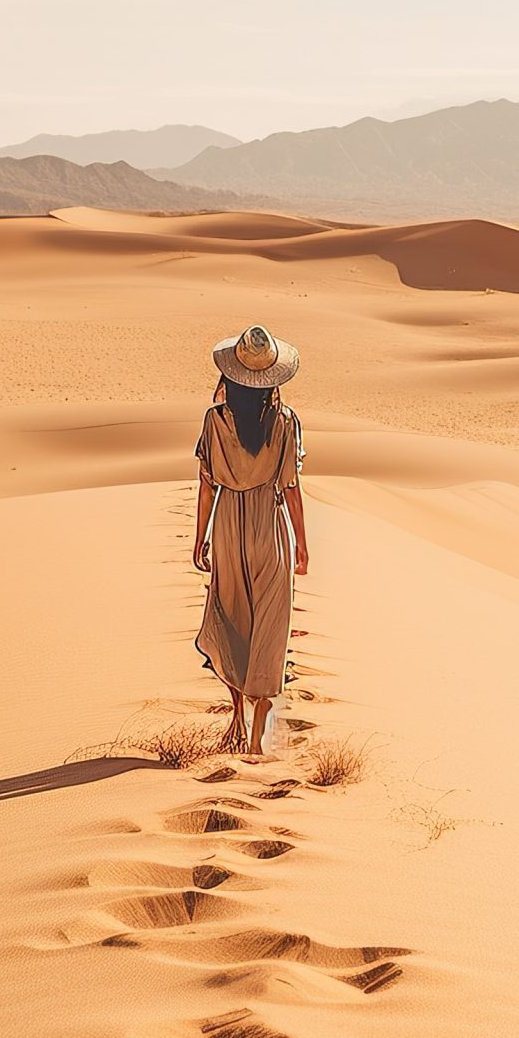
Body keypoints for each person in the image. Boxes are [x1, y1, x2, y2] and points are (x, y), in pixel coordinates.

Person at [191, 324, 309, 757]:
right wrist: (302, 543)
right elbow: (291, 487)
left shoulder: (213, 420)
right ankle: (259, 722)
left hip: (226, 525)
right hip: (269, 523)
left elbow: (206, 484)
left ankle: (237, 712)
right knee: (270, 622)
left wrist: (200, 536)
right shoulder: (285, 421)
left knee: (232, 618)